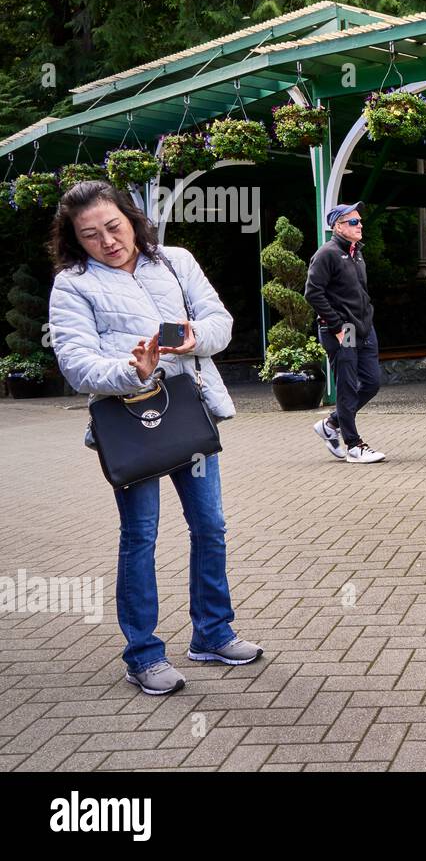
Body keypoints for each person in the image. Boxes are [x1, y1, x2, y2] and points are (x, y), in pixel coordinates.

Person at [47, 181, 263, 696]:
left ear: (131, 217)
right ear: (76, 240)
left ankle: (212, 633)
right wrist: (134, 370)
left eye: (114, 226)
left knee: (210, 526)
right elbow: (76, 364)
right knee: (141, 535)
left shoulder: (174, 261)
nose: (108, 241)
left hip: (189, 413)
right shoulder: (72, 284)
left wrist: (194, 335)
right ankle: (143, 653)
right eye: (91, 234)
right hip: (129, 426)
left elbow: (221, 322)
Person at [304, 202, 385, 463]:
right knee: (347, 387)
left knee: (372, 382)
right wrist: (337, 327)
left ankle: (331, 424)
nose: (360, 225)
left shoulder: (357, 253)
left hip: (363, 327)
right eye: (353, 222)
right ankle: (353, 446)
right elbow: (313, 292)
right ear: (337, 226)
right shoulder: (326, 254)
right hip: (343, 330)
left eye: (360, 221)